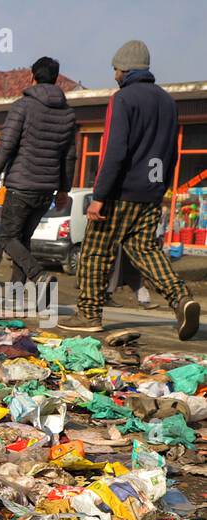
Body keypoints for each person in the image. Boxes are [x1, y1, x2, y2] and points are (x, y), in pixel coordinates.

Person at [70, 40, 199, 338]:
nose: (114, 75)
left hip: (121, 192)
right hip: (151, 192)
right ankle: (181, 298)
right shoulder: (168, 102)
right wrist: (161, 188)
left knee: (94, 252)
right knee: (146, 250)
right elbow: (172, 152)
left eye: (115, 69)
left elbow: (115, 151)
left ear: (124, 69)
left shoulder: (123, 99)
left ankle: (89, 314)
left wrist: (99, 196)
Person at [0, 56, 76, 310]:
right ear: (56, 80)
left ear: (31, 77)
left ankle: (39, 275)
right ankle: (14, 297)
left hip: (21, 186)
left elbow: (7, 145)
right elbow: (69, 155)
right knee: (21, 240)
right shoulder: (68, 114)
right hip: (46, 190)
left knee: (7, 238)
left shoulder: (22, 106)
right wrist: (64, 189)